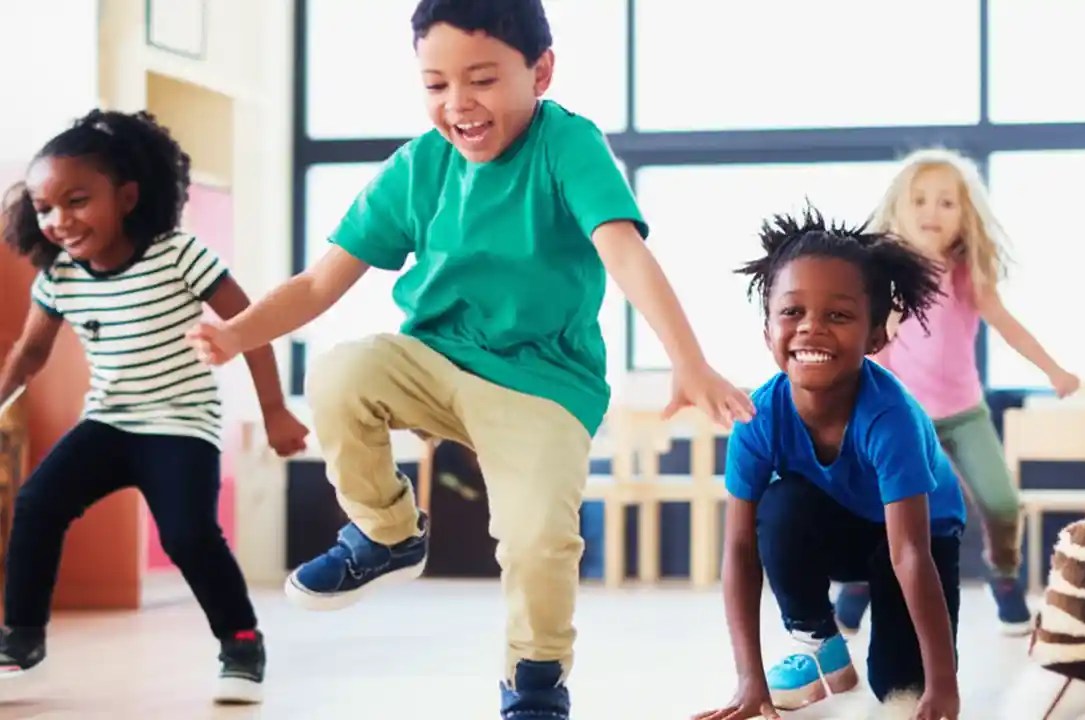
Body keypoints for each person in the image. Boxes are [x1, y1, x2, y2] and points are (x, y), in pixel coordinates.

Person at [185, 1, 752, 717]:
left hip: (544, 386)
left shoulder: (566, 145)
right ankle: (387, 532)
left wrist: (688, 360)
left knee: (539, 537)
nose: (458, 104)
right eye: (435, 85)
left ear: (540, 71)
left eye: (481, 79)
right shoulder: (420, 166)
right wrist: (239, 334)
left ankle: (534, 679)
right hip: (436, 360)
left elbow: (624, 251)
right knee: (340, 371)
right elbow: (318, 283)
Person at [0, 109, 309, 704]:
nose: (59, 221)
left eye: (78, 200)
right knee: (37, 503)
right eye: (45, 208)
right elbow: (30, 353)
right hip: (107, 423)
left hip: (179, 425)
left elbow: (251, 326)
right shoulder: (59, 277)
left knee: (189, 535)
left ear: (128, 196)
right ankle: (22, 637)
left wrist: (274, 411)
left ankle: (241, 643)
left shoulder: (176, 254)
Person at [694, 208, 963, 720]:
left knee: (901, 692)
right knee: (780, 505)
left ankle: (900, 669)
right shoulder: (758, 417)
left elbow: (909, 553)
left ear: (876, 337)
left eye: (838, 316)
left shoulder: (892, 418)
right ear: (767, 328)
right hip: (839, 527)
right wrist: (750, 681)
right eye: (792, 312)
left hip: (918, 538)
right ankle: (822, 644)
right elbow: (740, 547)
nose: (811, 329)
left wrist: (943, 684)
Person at [830, 149, 1081, 638]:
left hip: (965, 413)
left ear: (965, 216)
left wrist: (1054, 370)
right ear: (898, 209)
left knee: (1004, 504)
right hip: (905, 418)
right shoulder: (883, 278)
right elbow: (870, 346)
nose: (932, 211)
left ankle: (1004, 578)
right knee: (890, 508)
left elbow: (1007, 326)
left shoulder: (967, 275)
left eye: (947, 203)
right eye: (920, 200)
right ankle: (859, 583)